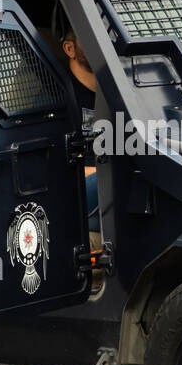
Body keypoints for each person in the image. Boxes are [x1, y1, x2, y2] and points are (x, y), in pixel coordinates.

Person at [58, 17, 99, 231]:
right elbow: (56, 167)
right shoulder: (57, 97)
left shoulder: (119, 92)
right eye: (91, 37)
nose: (101, 43)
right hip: (80, 189)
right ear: (70, 49)